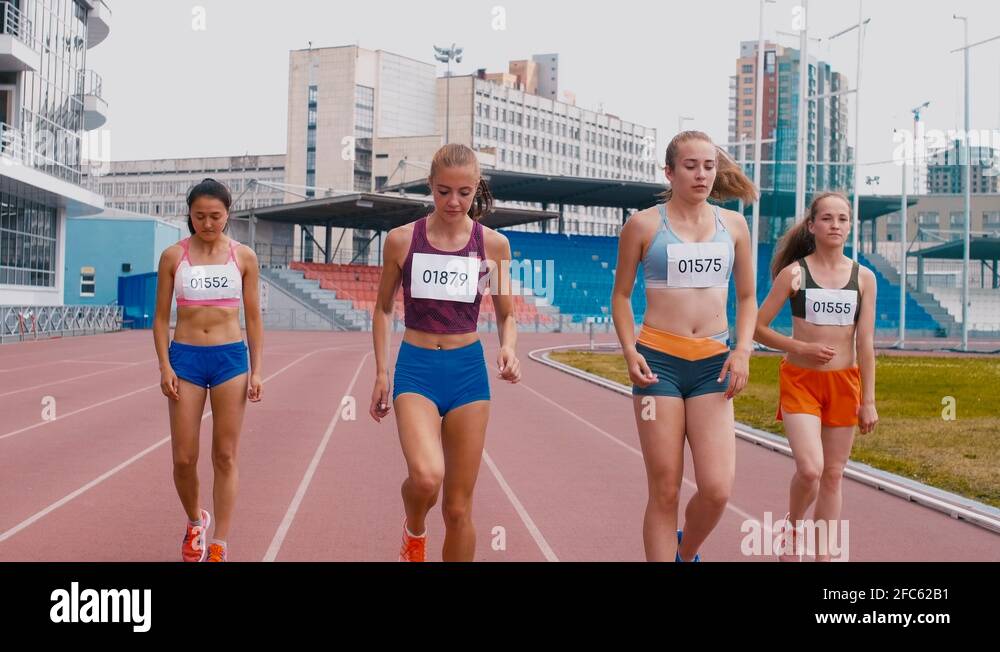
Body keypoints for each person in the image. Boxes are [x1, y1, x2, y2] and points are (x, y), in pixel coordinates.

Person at [369, 143, 521, 562]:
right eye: (442, 191)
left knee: (458, 508)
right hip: (416, 368)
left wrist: (509, 348)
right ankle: (414, 530)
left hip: (468, 372)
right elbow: (383, 309)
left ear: (477, 190)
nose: (453, 202)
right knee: (426, 477)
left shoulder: (495, 246)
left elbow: (508, 316)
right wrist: (382, 373)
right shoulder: (402, 241)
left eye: (464, 192)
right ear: (430, 188)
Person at [611, 130, 757, 562]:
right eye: (691, 166)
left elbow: (747, 297)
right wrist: (629, 350)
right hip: (658, 364)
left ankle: (685, 552)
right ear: (670, 172)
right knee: (666, 486)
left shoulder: (734, 226)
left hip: (713, 363)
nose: (702, 174)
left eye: (709, 166)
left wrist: (744, 349)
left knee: (716, 490)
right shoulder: (643, 225)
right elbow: (620, 296)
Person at [754, 191, 878, 561]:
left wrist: (868, 400)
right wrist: (801, 347)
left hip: (844, 384)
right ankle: (792, 525)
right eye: (827, 218)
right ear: (812, 225)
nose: (835, 225)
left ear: (850, 226)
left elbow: (866, 343)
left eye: (842, 219)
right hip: (801, 382)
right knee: (811, 470)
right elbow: (757, 328)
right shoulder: (795, 275)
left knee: (834, 475)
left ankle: (824, 557)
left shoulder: (864, 278)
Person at [153, 178, 263, 562]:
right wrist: (164, 365)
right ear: (190, 215)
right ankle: (195, 519)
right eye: (199, 216)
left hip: (230, 359)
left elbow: (253, 317)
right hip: (185, 359)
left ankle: (220, 542)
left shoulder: (243, 257)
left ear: (227, 214)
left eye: (215, 216)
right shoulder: (173, 257)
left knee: (225, 455)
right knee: (183, 457)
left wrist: (258, 369)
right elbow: (160, 318)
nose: (208, 223)